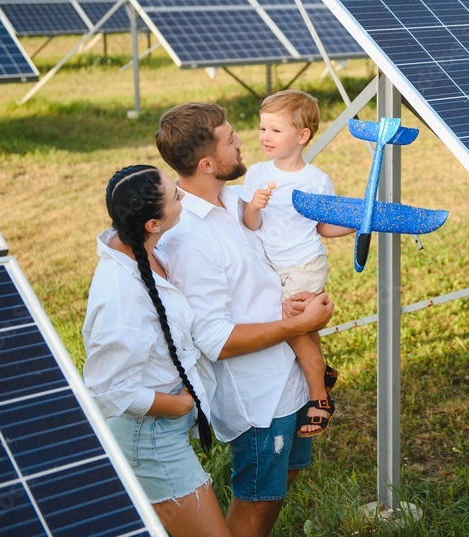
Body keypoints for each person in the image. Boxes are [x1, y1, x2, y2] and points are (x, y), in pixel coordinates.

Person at [155, 102, 334, 537]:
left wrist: (299, 309)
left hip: (286, 379)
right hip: (258, 399)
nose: (243, 144)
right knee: (254, 509)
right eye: (231, 140)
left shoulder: (234, 200)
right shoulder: (187, 238)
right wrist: (295, 327)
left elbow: (268, 277)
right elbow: (215, 339)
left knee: (280, 488)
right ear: (207, 163)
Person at [82, 165, 229, 537]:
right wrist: (180, 404)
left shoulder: (147, 249)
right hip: (147, 439)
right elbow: (109, 388)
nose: (182, 193)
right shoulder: (120, 297)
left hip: (162, 431)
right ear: (152, 224)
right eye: (176, 195)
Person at [240, 90, 354, 438]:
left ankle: (319, 398)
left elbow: (322, 226)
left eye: (275, 131)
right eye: (262, 129)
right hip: (272, 266)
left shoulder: (315, 180)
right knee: (305, 331)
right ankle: (324, 374)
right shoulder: (258, 173)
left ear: (302, 136)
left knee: (295, 332)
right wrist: (255, 205)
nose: (265, 137)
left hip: (304, 264)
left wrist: (359, 222)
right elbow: (250, 224)